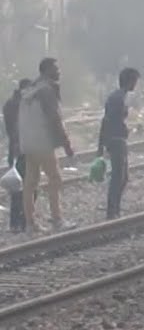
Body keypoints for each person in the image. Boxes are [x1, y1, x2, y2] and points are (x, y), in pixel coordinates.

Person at [18, 58, 75, 233]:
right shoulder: (47, 90)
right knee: (55, 179)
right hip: (43, 142)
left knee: (30, 183)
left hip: (28, 143)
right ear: (46, 70)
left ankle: (30, 223)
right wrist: (66, 144)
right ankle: (57, 219)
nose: (58, 71)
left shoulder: (30, 89)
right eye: (55, 68)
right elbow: (54, 118)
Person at [97, 67, 140, 220]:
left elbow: (106, 120)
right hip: (116, 140)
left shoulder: (117, 96)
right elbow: (109, 120)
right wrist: (102, 144)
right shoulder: (119, 98)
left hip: (115, 139)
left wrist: (101, 144)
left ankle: (115, 209)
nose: (136, 84)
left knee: (122, 176)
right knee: (118, 176)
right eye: (135, 81)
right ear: (130, 81)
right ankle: (112, 211)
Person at [3, 80, 34, 232]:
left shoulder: (10, 103)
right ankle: (23, 221)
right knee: (27, 186)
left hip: (15, 149)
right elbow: (16, 128)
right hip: (22, 149)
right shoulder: (21, 105)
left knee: (18, 188)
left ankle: (16, 222)